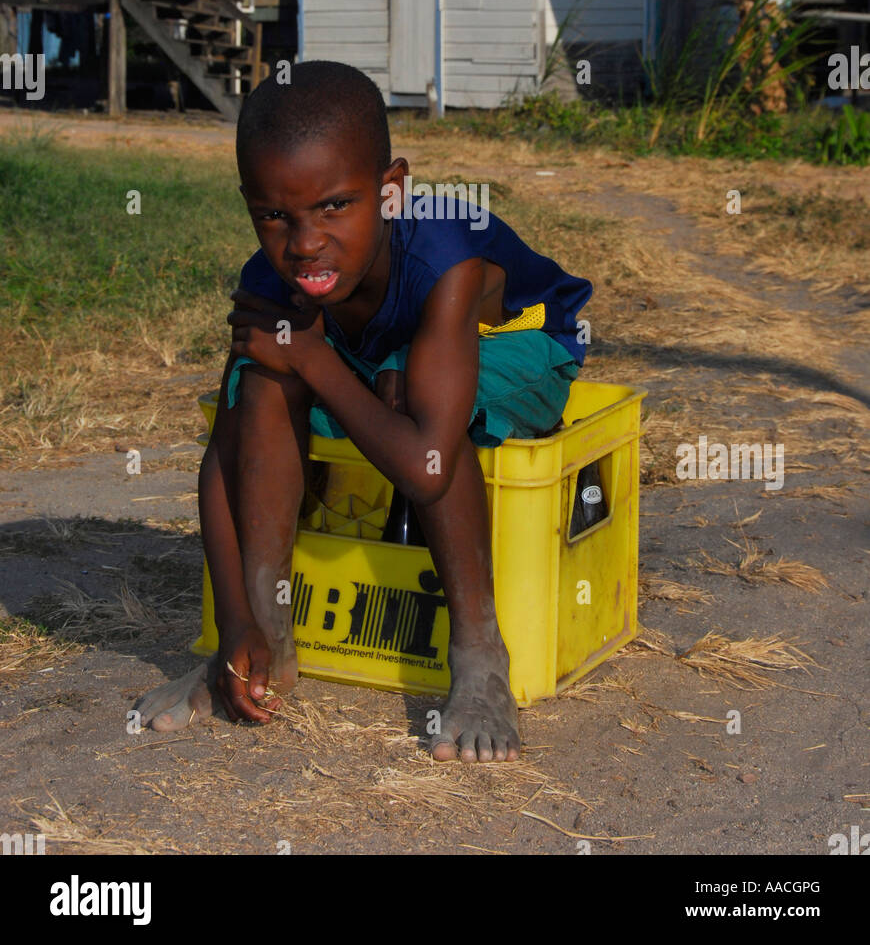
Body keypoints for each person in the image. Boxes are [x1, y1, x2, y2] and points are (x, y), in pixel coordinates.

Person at [136, 62, 592, 762]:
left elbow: (429, 466)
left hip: (522, 349)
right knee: (262, 378)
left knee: (400, 385)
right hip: (380, 362)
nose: (305, 243)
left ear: (391, 189)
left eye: (335, 207)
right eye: (274, 216)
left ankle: (479, 658)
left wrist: (315, 361)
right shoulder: (270, 279)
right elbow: (223, 459)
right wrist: (232, 628)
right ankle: (270, 643)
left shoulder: (446, 254)